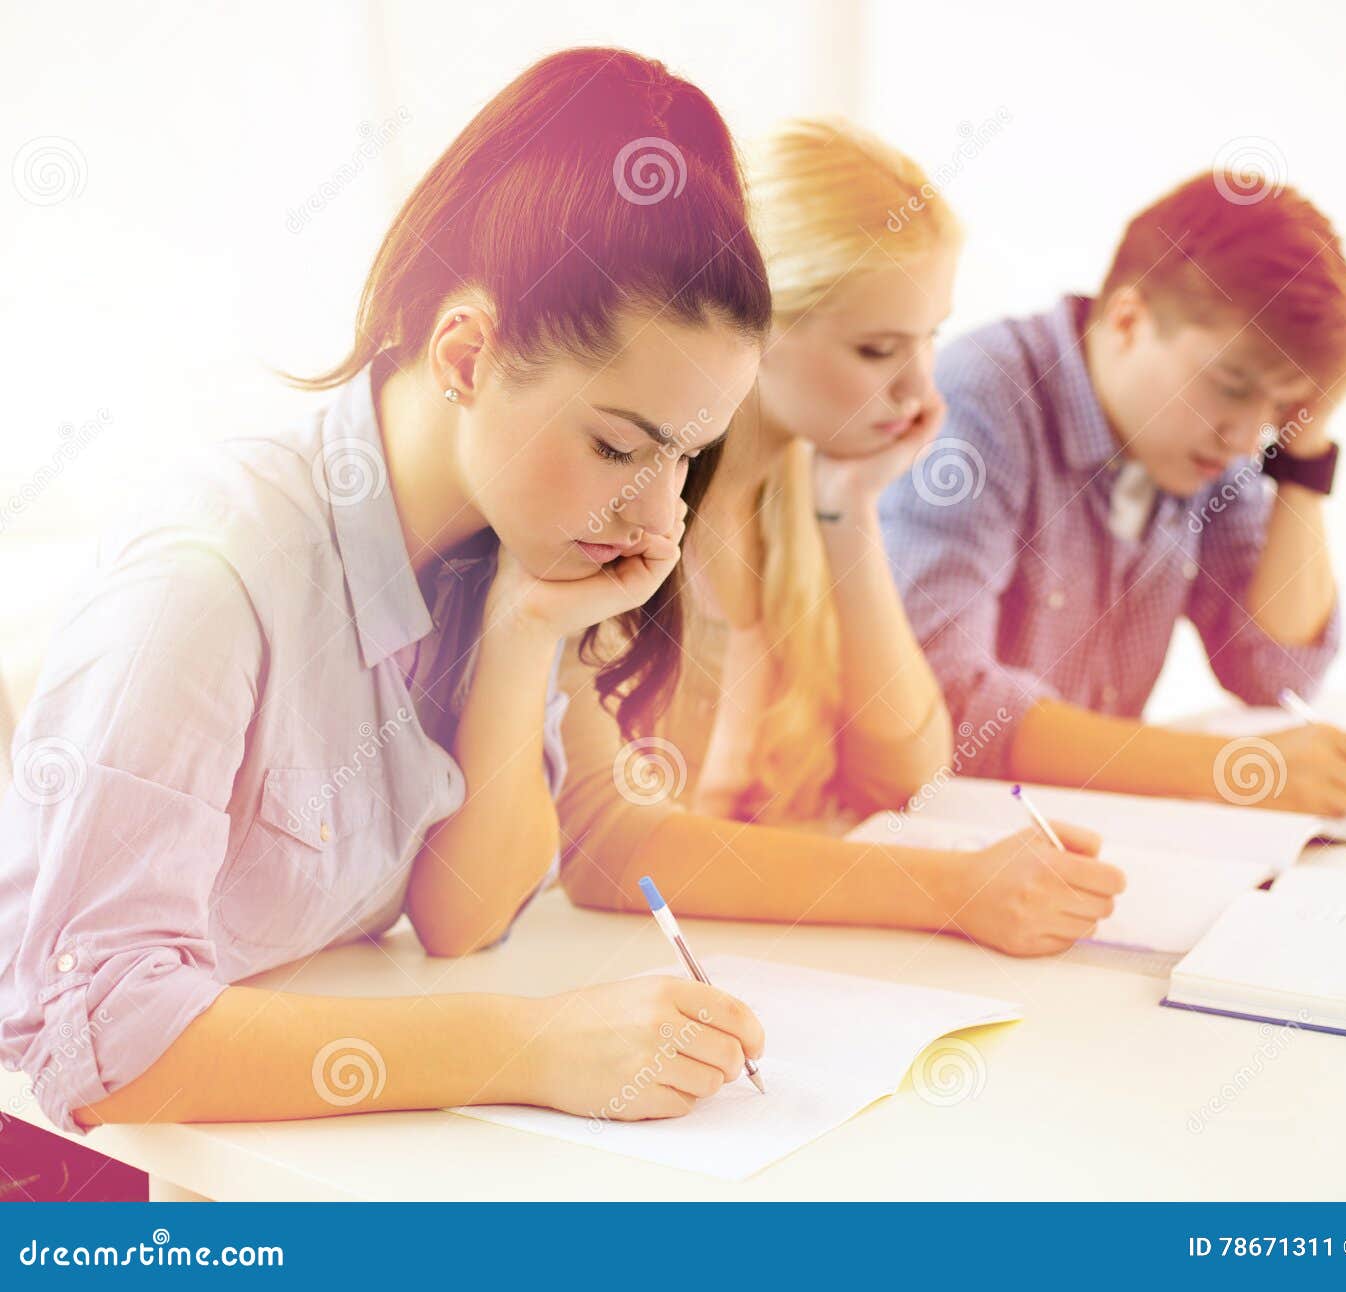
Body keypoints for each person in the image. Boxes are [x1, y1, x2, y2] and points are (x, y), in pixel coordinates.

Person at [0, 48, 770, 1137]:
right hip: (84, 1176)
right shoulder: (211, 573)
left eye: (685, 462)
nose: (657, 524)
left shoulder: (486, 548)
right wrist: (531, 1043)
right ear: (466, 350)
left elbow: (461, 916)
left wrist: (525, 627)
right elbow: (104, 1039)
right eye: (617, 447)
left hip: (273, 1148)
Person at [556, 119, 1123, 954]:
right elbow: (609, 852)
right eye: (876, 349)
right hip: (633, 970)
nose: (923, 393)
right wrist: (955, 890)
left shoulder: (799, 490)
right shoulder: (623, 504)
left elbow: (900, 777)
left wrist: (850, 513)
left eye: (930, 339)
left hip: (778, 961)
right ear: (751, 327)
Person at [879, 172, 1346, 818]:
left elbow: (1276, 672)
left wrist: (1305, 450)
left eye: (1279, 405)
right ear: (1127, 319)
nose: (1246, 441)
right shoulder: (982, 399)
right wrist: (1230, 770)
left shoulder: (1203, 446)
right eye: (1234, 387)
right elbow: (940, 703)